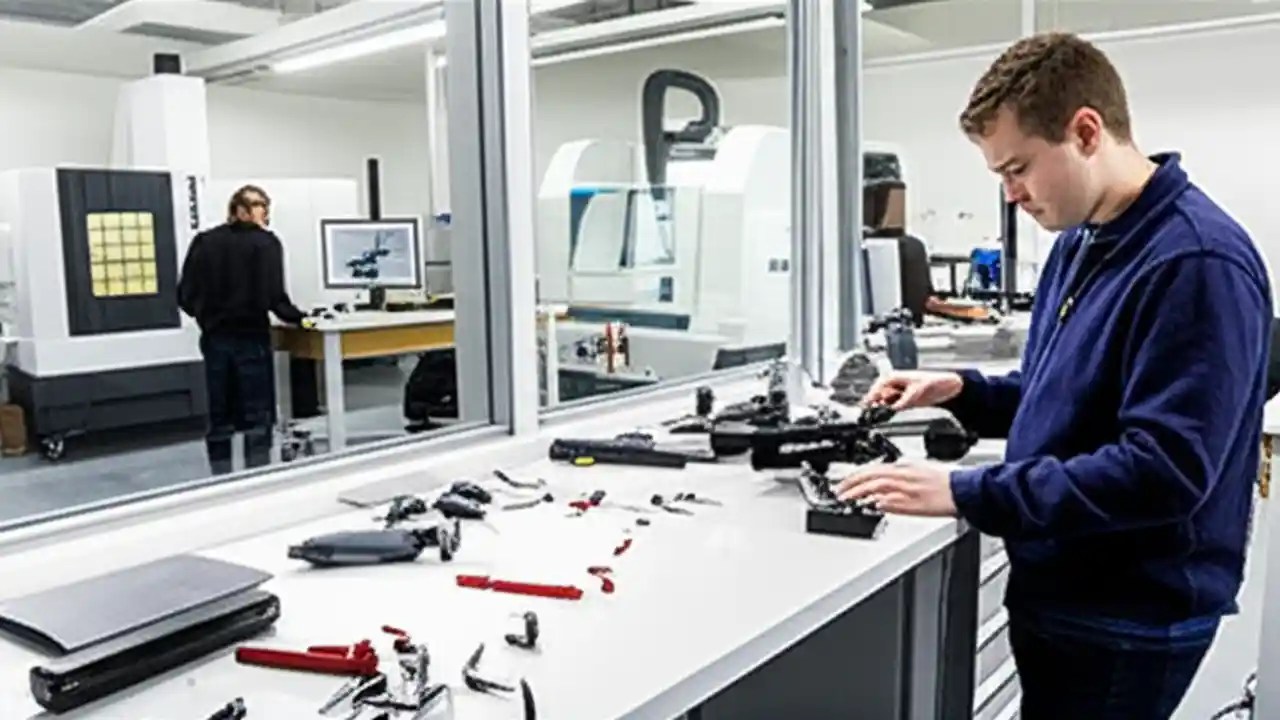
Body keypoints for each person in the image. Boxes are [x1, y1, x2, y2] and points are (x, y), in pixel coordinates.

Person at [836, 32, 1272, 719]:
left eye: (1019, 169)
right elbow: (1071, 395)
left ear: (1087, 131)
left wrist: (968, 491)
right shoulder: (1083, 240)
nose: (1011, 196)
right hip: (1065, 588)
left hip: (1126, 616)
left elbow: (1163, 470)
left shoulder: (1195, 262)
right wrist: (963, 393)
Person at [178, 185, 310, 475]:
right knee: (257, 417)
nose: (264, 213)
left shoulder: (204, 242)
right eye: (262, 206)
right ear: (247, 210)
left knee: (220, 416)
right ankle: (257, 479)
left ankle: (221, 478)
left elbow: (184, 295)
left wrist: (206, 316)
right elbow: (275, 298)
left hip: (214, 338)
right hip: (251, 338)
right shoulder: (266, 243)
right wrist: (303, 320)